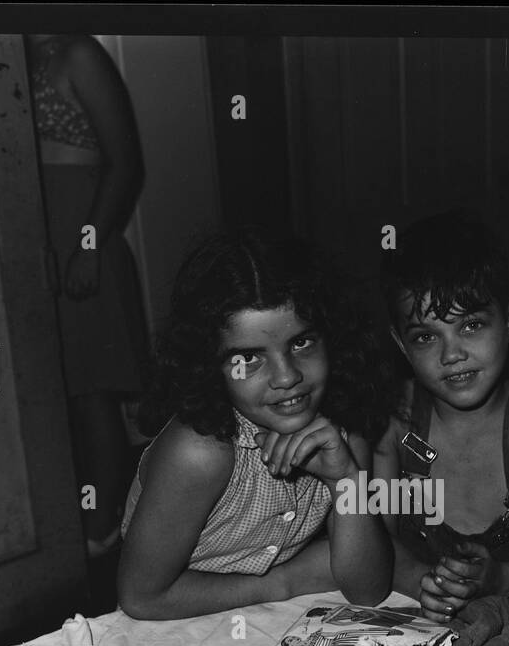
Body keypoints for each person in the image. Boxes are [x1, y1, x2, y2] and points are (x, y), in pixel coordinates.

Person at [117, 229, 394, 620]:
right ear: (210, 365)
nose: (286, 377)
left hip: (268, 626)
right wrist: (284, 582)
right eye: (248, 358)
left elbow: (367, 589)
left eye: (301, 344)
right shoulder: (201, 451)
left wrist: (345, 478)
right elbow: (142, 598)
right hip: (171, 631)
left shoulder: (343, 432)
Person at [371, 212, 509, 624]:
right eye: (426, 337)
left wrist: (502, 577)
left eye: (471, 326)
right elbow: (378, 539)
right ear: (401, 344)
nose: (451, 355)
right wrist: (423, 583)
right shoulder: (395, 419)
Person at [26, 33, 149, 558]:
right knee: (53, 392)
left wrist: (89, 245)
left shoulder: (78, 53)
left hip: (82, 236)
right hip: (35, 241)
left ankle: (104, 527)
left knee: (92, 390)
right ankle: (77, 518)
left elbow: (126, 163)